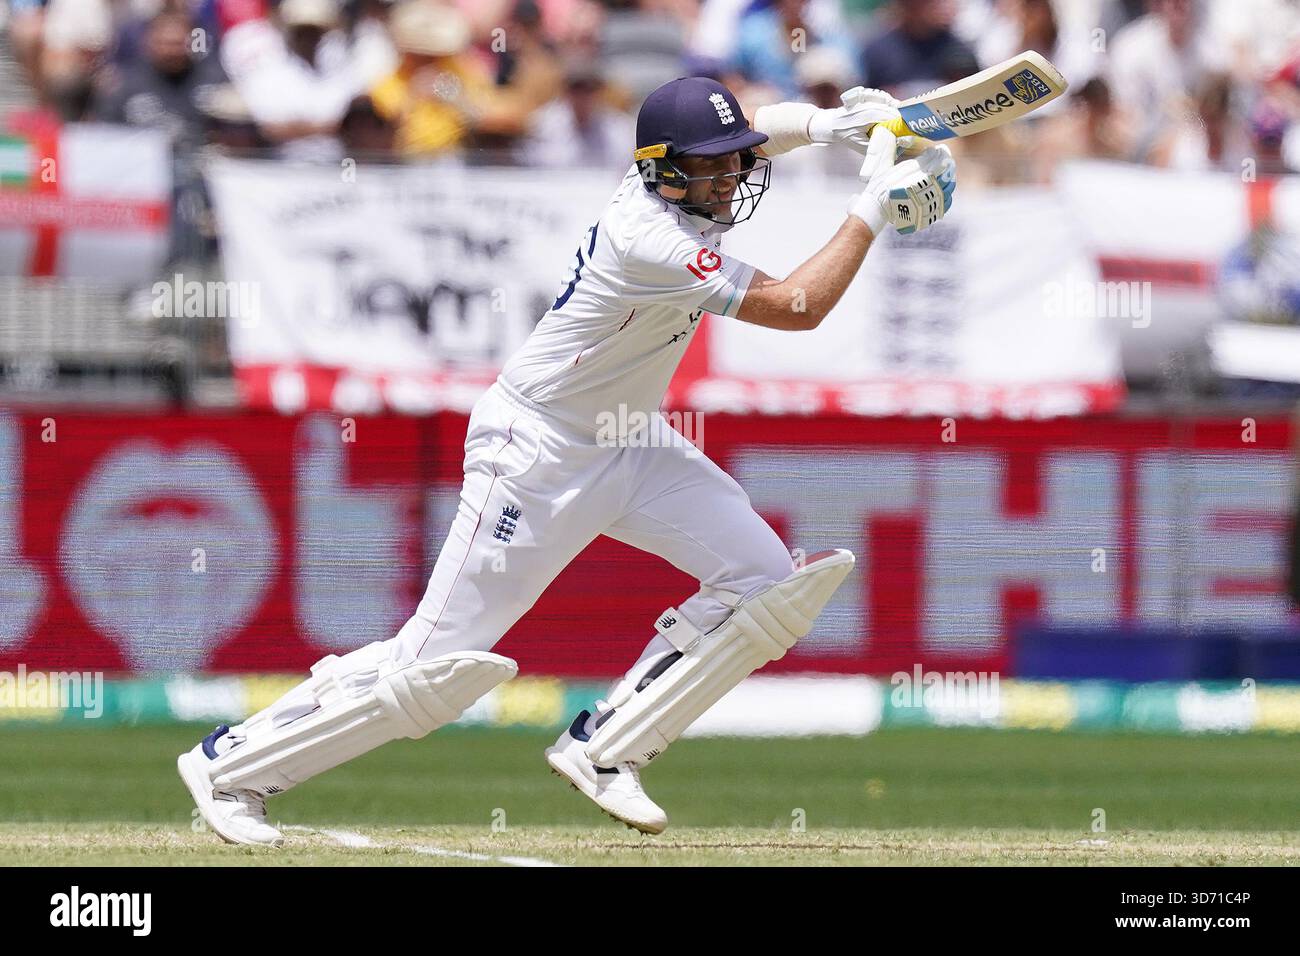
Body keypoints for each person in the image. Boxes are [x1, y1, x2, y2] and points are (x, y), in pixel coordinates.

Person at [178, 75, 956, 845]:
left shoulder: (674, 180)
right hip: (536, 452)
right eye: (712, 167)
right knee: (429, 672)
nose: (730, 179)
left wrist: (833, 126)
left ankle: (606, 747)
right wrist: (871, 208)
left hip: (629, 438)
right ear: (663, 169)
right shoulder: (648, 236)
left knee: (767, 579)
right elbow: (797, 307)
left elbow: (755, 126)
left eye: (734, 163)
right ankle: (231, 767)